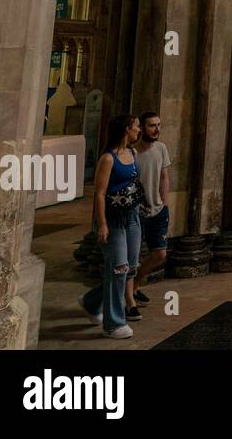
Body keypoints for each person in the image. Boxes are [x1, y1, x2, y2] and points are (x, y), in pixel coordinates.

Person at [79, 114, 143, 338]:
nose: (139, 130)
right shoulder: (108, 159)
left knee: (129, 268)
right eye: (136, 127)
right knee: (118, 268)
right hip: (112, 220)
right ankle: (114, 323)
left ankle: (92, 301)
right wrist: (103, 224)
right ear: (126, 129)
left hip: (132, 217)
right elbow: (99, 193)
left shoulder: (133, 153)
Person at [132, 111, 172, 305]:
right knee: (131, 257)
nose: (156, 129)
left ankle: (135, 284)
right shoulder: (131, 152)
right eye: (151, 125)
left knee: (160, 254)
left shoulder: (161, 148)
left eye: (158, 125)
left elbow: (164, 177)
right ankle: (128, 296)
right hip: (137, 211)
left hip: (157, 210)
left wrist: (164, 204)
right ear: (141, 128)